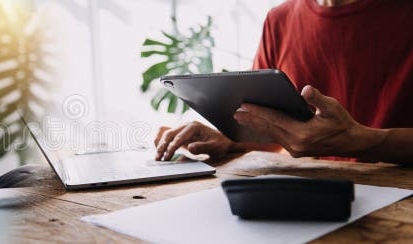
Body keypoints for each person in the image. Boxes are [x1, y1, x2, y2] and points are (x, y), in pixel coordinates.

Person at [154, 0, 413, 164]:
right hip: (306, 190)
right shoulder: (279, 19)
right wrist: (231, 138)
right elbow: (274, 130)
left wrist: (361, 140)